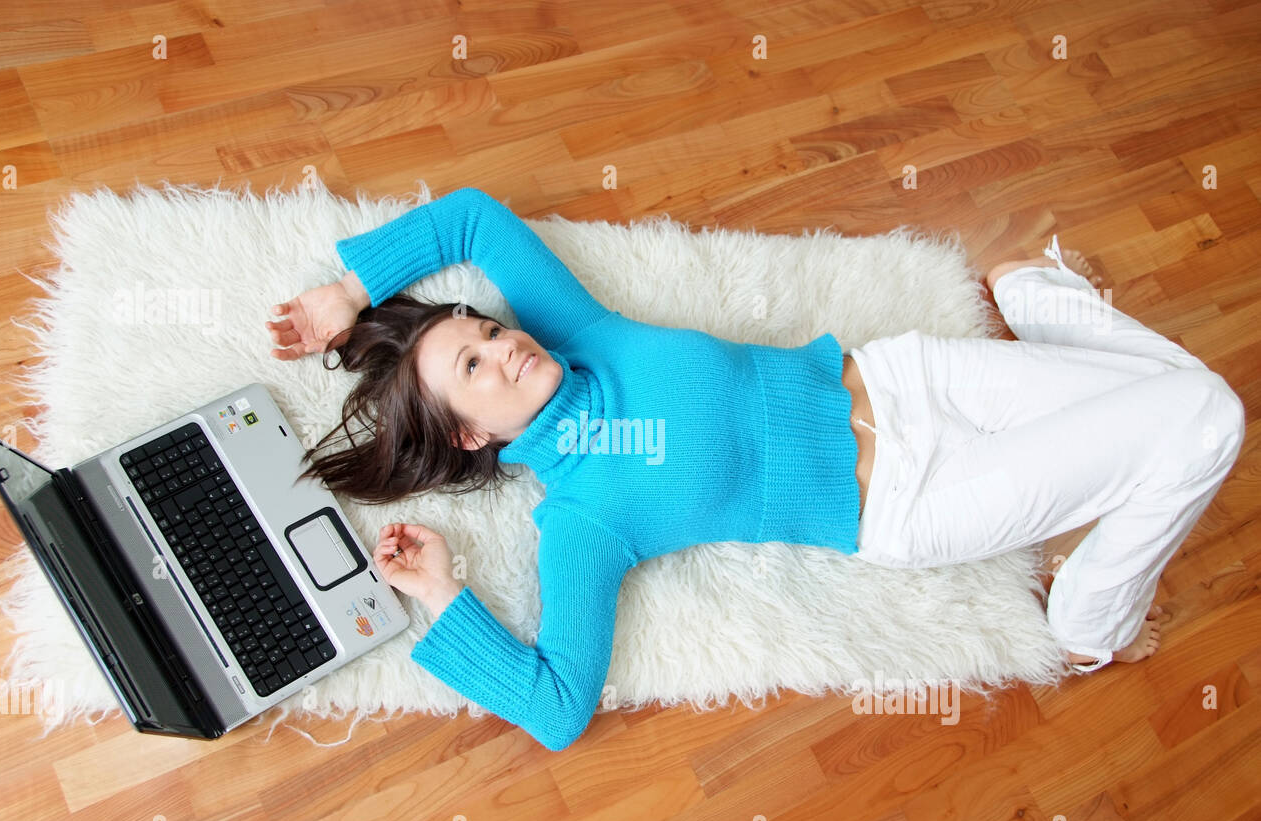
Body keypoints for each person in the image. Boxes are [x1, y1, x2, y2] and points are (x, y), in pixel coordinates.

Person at [265, 187, 1245, 751]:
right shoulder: (582, 520)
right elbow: (558, 707)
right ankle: (1086, 625)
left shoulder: (579, 336)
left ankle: (1041, 306)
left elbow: (474, 219)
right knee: (1201, 412)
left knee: (1162, 398)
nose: (500, 345)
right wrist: (441, 593)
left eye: (483, 328)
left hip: (914, 379)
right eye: (473, 369)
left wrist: (347, 290)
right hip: (913, 500)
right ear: (474, 436)